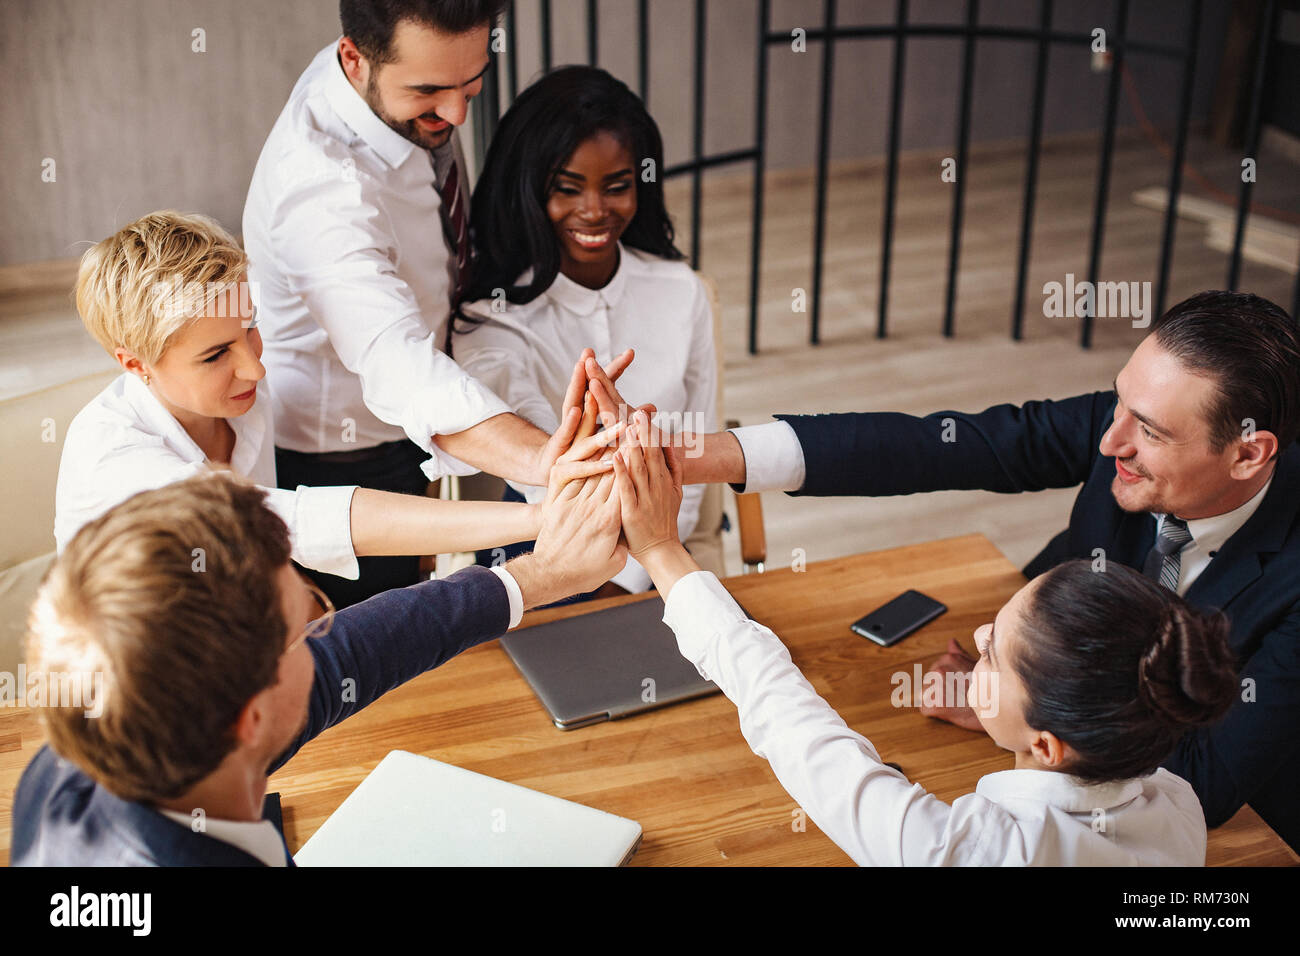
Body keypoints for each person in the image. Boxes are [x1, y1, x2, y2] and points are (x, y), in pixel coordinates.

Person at [586, 289, 1300, 850]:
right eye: (1119, 400)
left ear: (1247, 454)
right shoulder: (1130, 427)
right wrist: (705, 455)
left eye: (1148, 431)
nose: (1110, 438)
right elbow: (937, 445)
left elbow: (1203, 788)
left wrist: (1027, 702)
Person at [606, 414, 1238, 865]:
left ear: (1045, 744)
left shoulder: (964, 852)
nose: (981, 632)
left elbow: (794, 727)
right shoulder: (1176, 803)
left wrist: (662, 551)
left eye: (992, 654)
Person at [13, 447, 624, 866]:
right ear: (247, 721)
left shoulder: (92, 749)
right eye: (307, 624)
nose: (326, 632)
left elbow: (352, 657)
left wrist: (541, 575)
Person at [243, 0, 627, 605]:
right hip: (342, 451)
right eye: (428, 91)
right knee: (376, 657)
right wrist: (547, 460)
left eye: (470, 87)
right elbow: (400, 366)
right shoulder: (318, 193)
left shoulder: (381, 69)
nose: (453, 112)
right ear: (354, 59)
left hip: (421, 411)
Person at [56, 211, 554, 593]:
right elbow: (289, 520)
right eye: (214, 356)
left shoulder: (240, 397)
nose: (255, 368)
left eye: (250, 328)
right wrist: (537, 519)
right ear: (134, 364)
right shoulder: (112, 458)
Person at [453, 65, 717, 597]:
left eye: (616, 187)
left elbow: (696, 448)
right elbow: (540, 481)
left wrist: (653, 564)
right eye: (566, 189)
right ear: (528, 190)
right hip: (541, 556)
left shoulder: (680, 290)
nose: (594, 211)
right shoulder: (492, 314)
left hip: (661, 555)